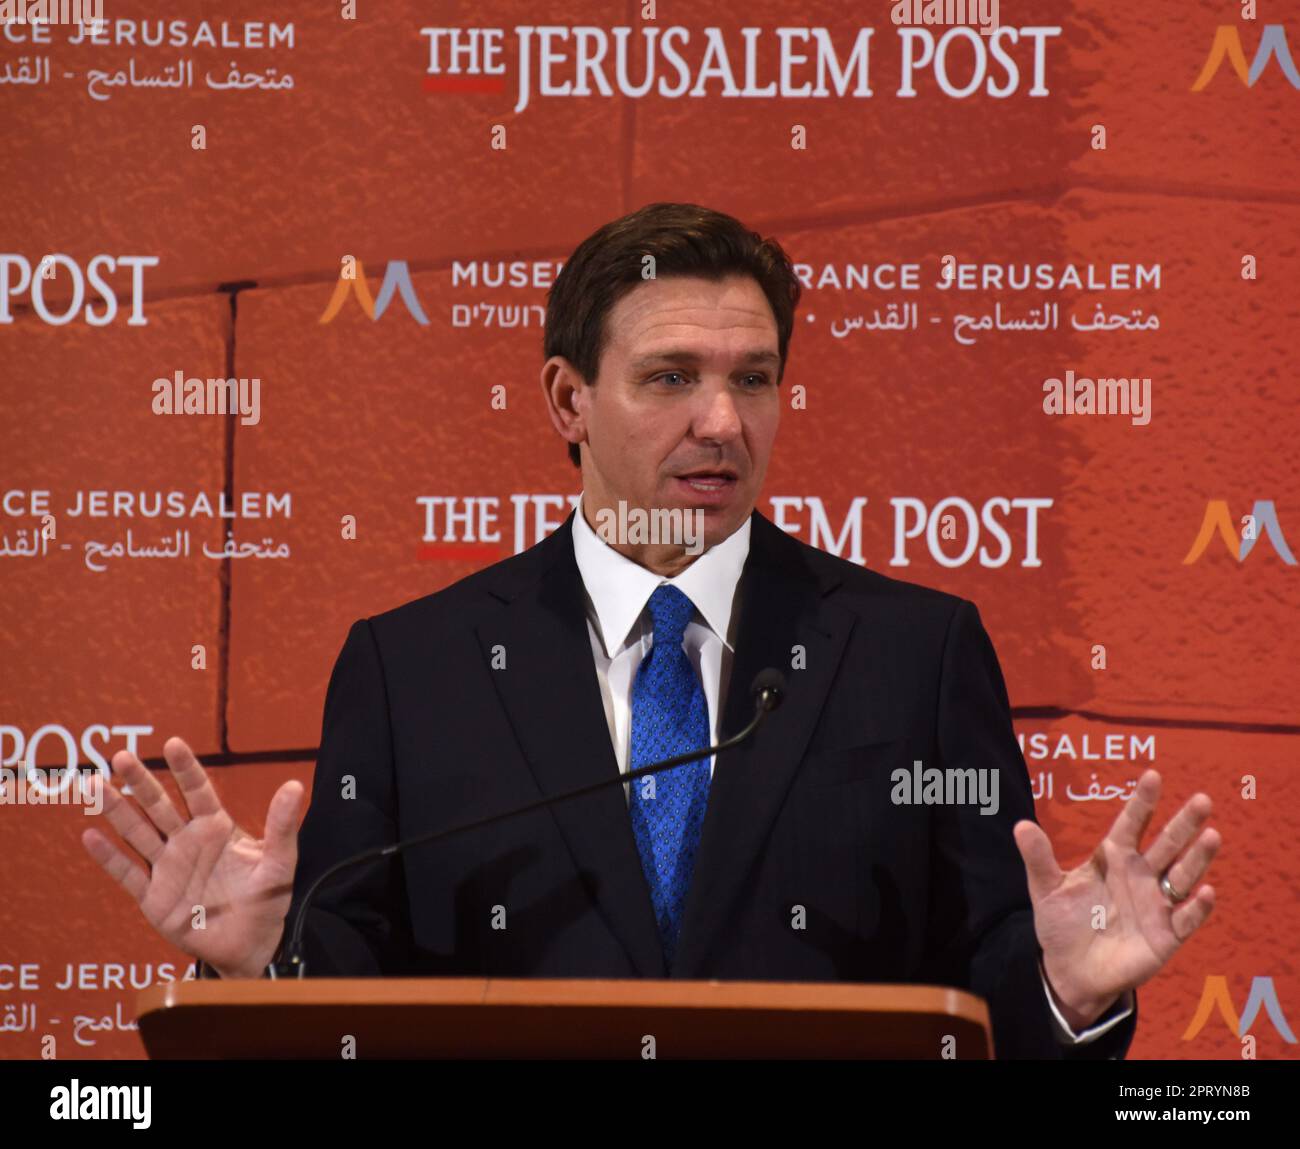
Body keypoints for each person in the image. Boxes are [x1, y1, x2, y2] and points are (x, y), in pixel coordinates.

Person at [82, 203, 1220, 1059]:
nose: (721, 422)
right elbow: (347, 1013)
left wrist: (1070, 993)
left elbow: (984, 1004)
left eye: (754, 379)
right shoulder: (410, 669)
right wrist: (261, 966)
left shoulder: (913, 654)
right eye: (670, 376)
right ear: (567, 402)